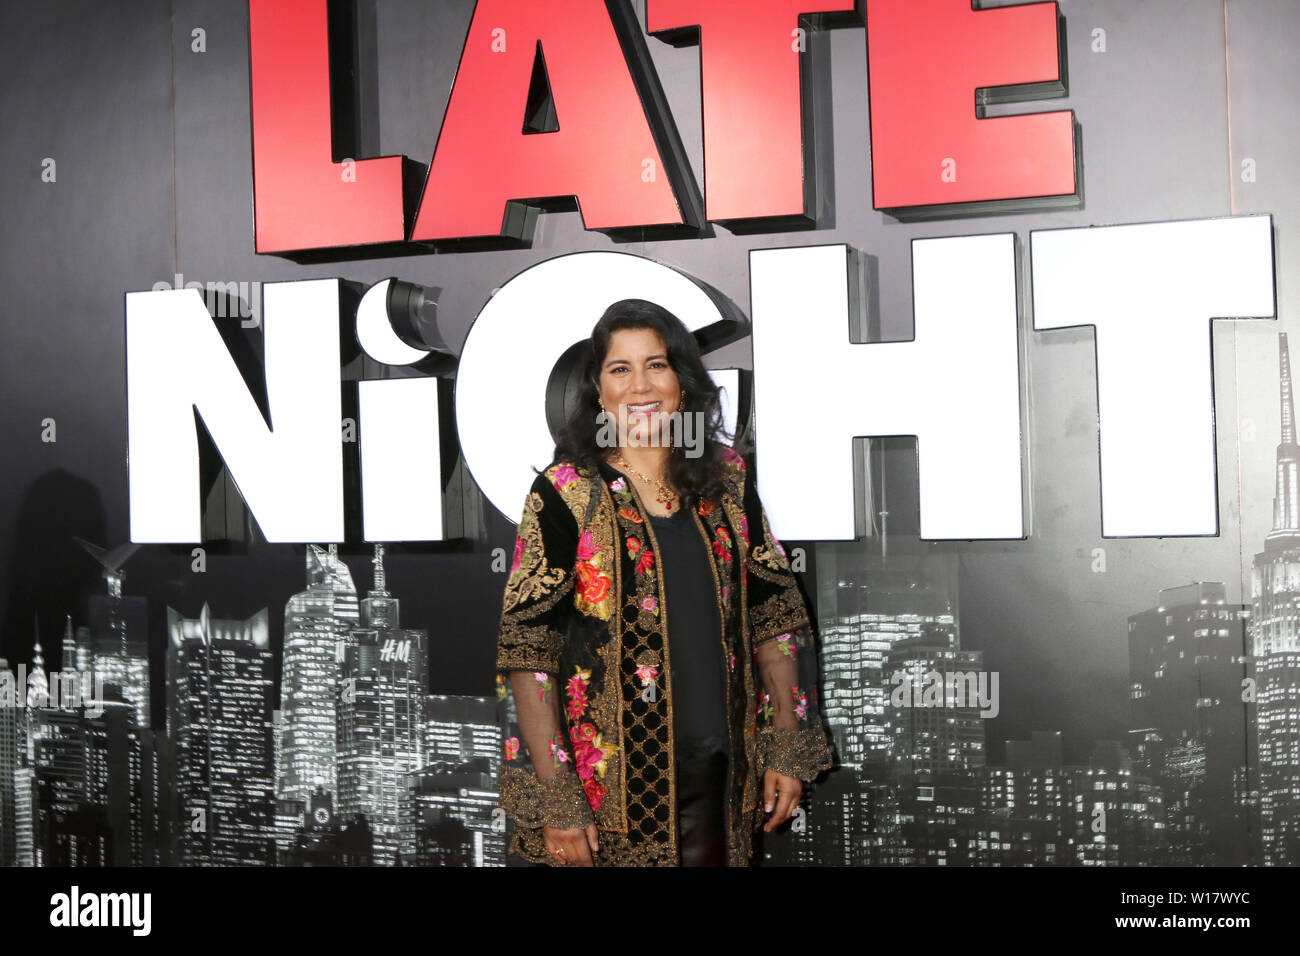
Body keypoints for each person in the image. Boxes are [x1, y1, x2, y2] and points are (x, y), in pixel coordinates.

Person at [494, 298, 833, 866]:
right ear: (598, 390)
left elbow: (776, 617)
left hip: (725, 776)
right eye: (619, 369)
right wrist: (557, 799)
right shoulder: (566, 491)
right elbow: (528, 651)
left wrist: (788, 744)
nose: (639, 385)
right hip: (608, 797)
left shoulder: (726, 477)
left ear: (682, 380)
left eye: (656, 364)